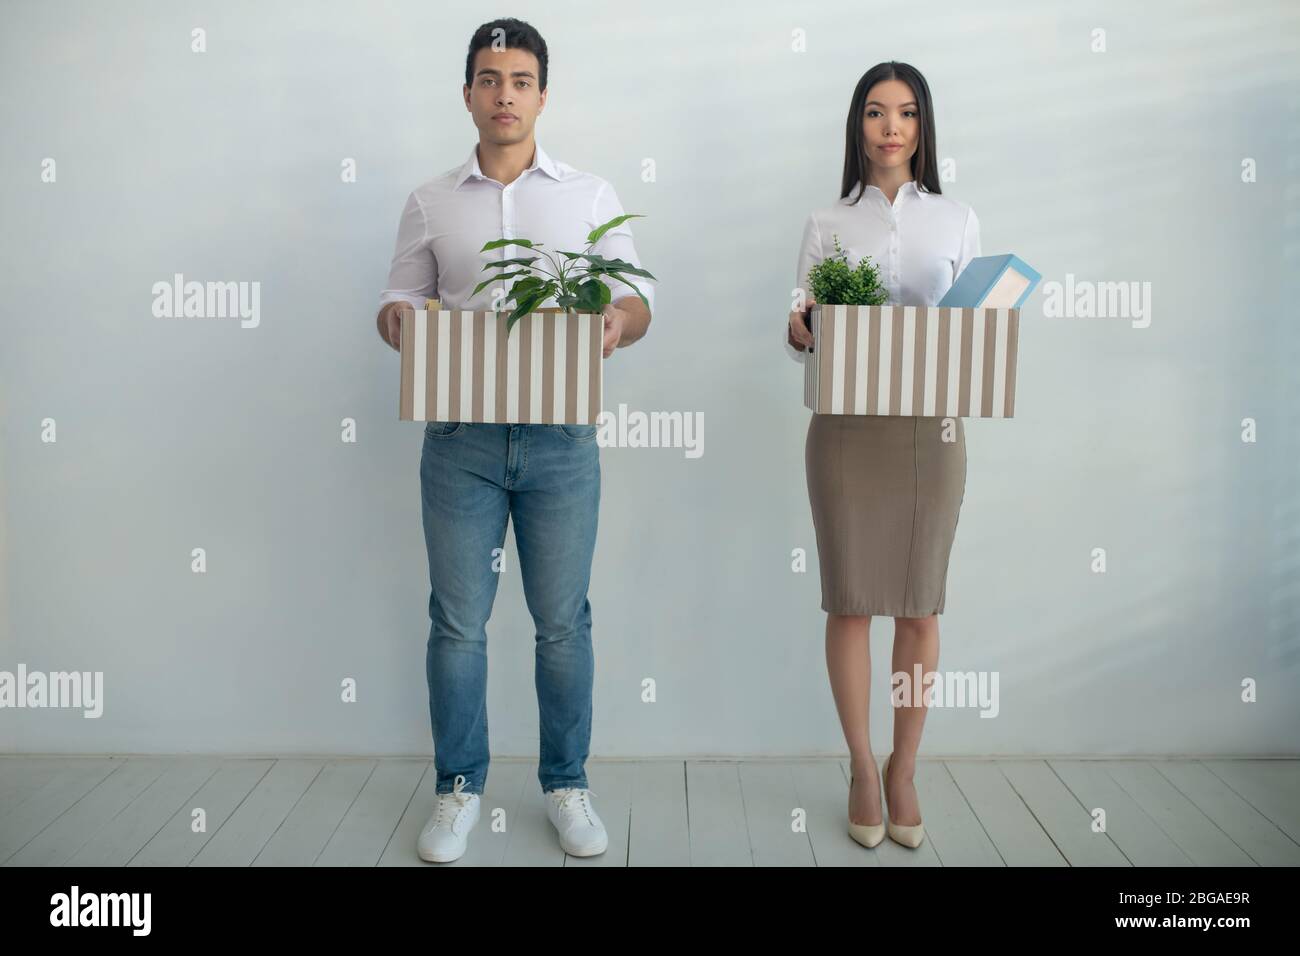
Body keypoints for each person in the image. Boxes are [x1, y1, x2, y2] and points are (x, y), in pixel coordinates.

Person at [375, 17, 654, 863]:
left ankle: (566, 783)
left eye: (521, 79)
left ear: (541, 93)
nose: (505, 94)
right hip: (457, 438)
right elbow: (397, 305)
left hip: (561, 439)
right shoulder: (429, 199)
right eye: (490, 79)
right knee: (458, 624)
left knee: (561, 622)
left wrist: (612, 321)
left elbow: (637, 302)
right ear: (467, 94)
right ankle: (458, 789)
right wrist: (401, 320)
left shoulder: (589, 194)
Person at [786, 61, 979, 850]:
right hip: (847, 426)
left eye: (904, 112)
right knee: (851, 601)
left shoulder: (958, 218)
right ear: (857, 126)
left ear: (923, 125)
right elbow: (800, 325)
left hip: (930, 434)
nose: (890, 127)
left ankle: (906, 765)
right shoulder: (829, 221)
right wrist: (799, 329)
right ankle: (863, 765)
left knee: (920, 605)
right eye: (874, 112)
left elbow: (972, 327)